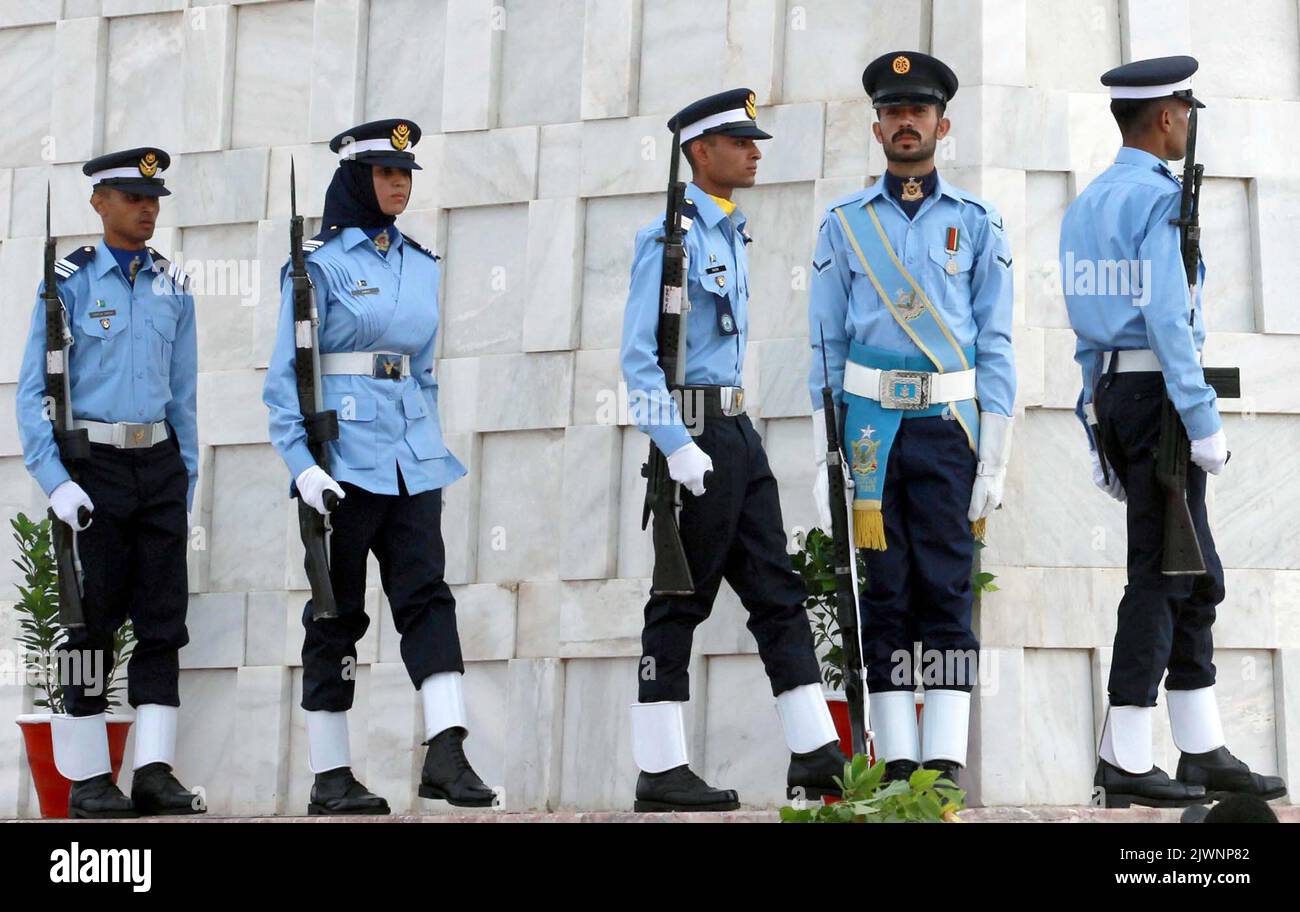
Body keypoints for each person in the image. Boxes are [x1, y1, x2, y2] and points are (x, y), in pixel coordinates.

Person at [1060, 55, 1286, 808]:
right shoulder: (1157, 202)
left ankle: (1199, 745)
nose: (1186, 123)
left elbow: (1086, 335)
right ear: (1165, 117)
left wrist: (1094, 424)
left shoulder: (1089, 202)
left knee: (1193, 571)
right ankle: (1125, 751)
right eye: (1184, 111)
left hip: (1122, 395)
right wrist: (1203, 417)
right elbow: (1167, 320)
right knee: (1160, 576)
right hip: (1162, 400)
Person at [263, 119, 494, 814]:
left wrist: (428, 442)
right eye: (385, 174)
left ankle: (447, 750)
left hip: (412, 460)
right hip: (342, 463)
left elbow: (421, 371)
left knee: (428, 597)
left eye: (406, 174)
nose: (399, 184)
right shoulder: (319, 266)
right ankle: (330, 774)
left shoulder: (422, 264)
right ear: (355, 181)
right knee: (336, 615)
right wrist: (303, 466)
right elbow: (284, 381)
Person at [622, 89, 844, 811]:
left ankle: (816, 753)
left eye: (754, 141)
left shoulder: (726, 233)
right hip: (695, 433)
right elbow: (638, 363)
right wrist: (676, 446)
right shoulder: (669, 241)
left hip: (737, 433)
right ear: (698, 152)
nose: (753, 152)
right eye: (739, 142)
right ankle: (660, 767)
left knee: (778, 591)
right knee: (680, 598)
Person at [808, 52, 1016, 787]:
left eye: (918, 112)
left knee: (948, 590)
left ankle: (946, 761)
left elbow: (997, 344)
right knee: (885, 590)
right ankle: (897, 758)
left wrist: (994, 457)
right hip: (870, 434)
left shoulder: (979, 222)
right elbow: (826, 346)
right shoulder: (843, 226)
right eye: (894, 112)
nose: (906, 123)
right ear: (877, 129)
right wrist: (825, 452)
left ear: (942, 124)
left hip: (948, 430)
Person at [16, 147, 203, 817]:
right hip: (91, 467)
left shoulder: (172, 285)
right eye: (132, 196)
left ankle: (154, 770)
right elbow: (34, 392)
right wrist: (54, 479)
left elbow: (183, 393)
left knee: (163, 622)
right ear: (99, 202)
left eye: (153, 198)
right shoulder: (67, 282)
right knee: (87, 624)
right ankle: (90, 777)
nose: (147, 208)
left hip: (157, 465)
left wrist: (186, 476)